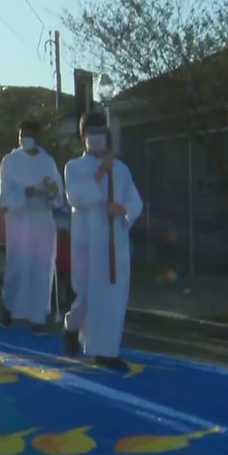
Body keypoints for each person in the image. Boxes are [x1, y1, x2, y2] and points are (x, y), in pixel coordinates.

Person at [63, 111, 143, 370]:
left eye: (100, 129)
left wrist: (121, 209)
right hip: (87, 241)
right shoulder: (74, 167)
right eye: (90, 130)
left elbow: (135, 200)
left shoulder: (121, 168)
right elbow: (75, 197)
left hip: (115, 241)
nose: (95, 135)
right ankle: (72, 327)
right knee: (86, 295)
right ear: (83, 135)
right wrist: (100, 172)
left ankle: (106, 349)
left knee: (113, 294)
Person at [0, 121, 63, 333]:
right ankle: (9, 307)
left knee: (41, 268)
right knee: (17, 266)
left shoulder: (47, 162)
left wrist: (52, 192)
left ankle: (38, 317)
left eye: (29, 134)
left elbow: (59, 194)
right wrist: (27, 193)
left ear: (37, 136)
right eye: (21, 134)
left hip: (42, 219)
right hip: (19, 221)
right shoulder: (10, 161)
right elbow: (4, 195)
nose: (25, 137)